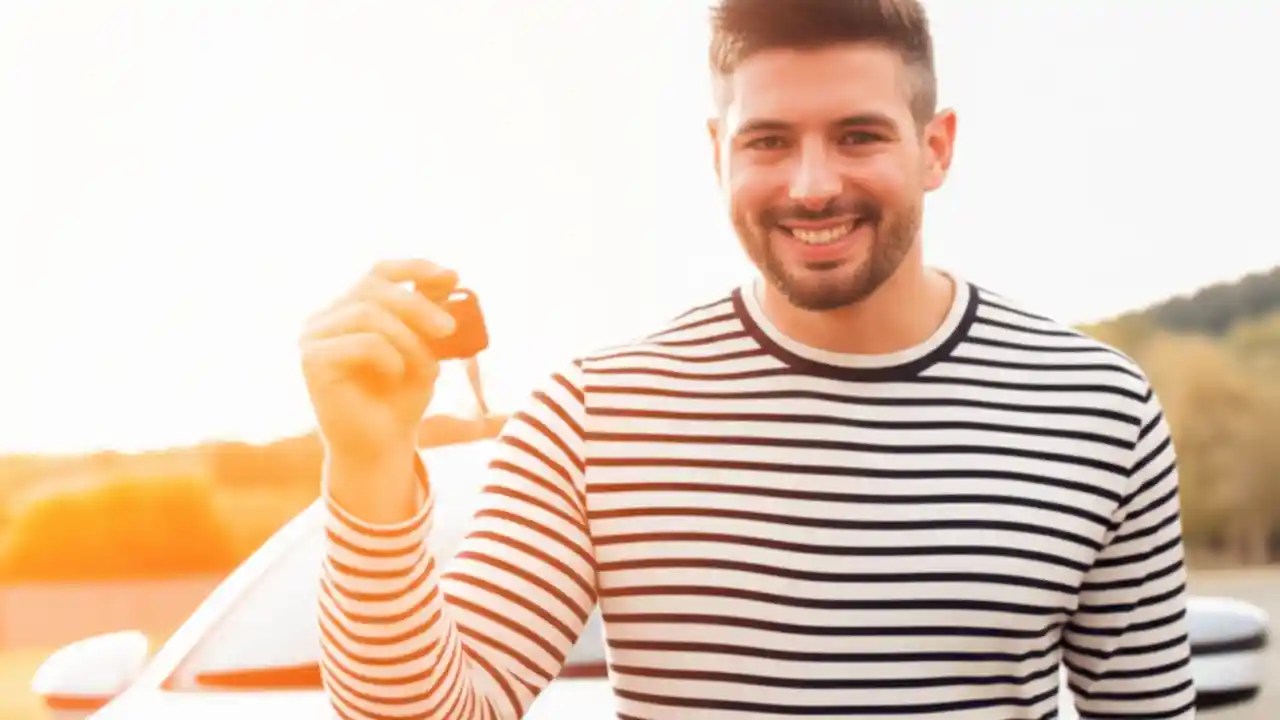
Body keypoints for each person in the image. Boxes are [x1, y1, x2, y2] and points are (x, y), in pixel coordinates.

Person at [298, 1, 1195, 718]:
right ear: (716, 154)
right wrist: (367, 465)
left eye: (858, 134)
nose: (811, 184)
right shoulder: (595, 415)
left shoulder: (1096, 408)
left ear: (936, 147)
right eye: (768, 140)